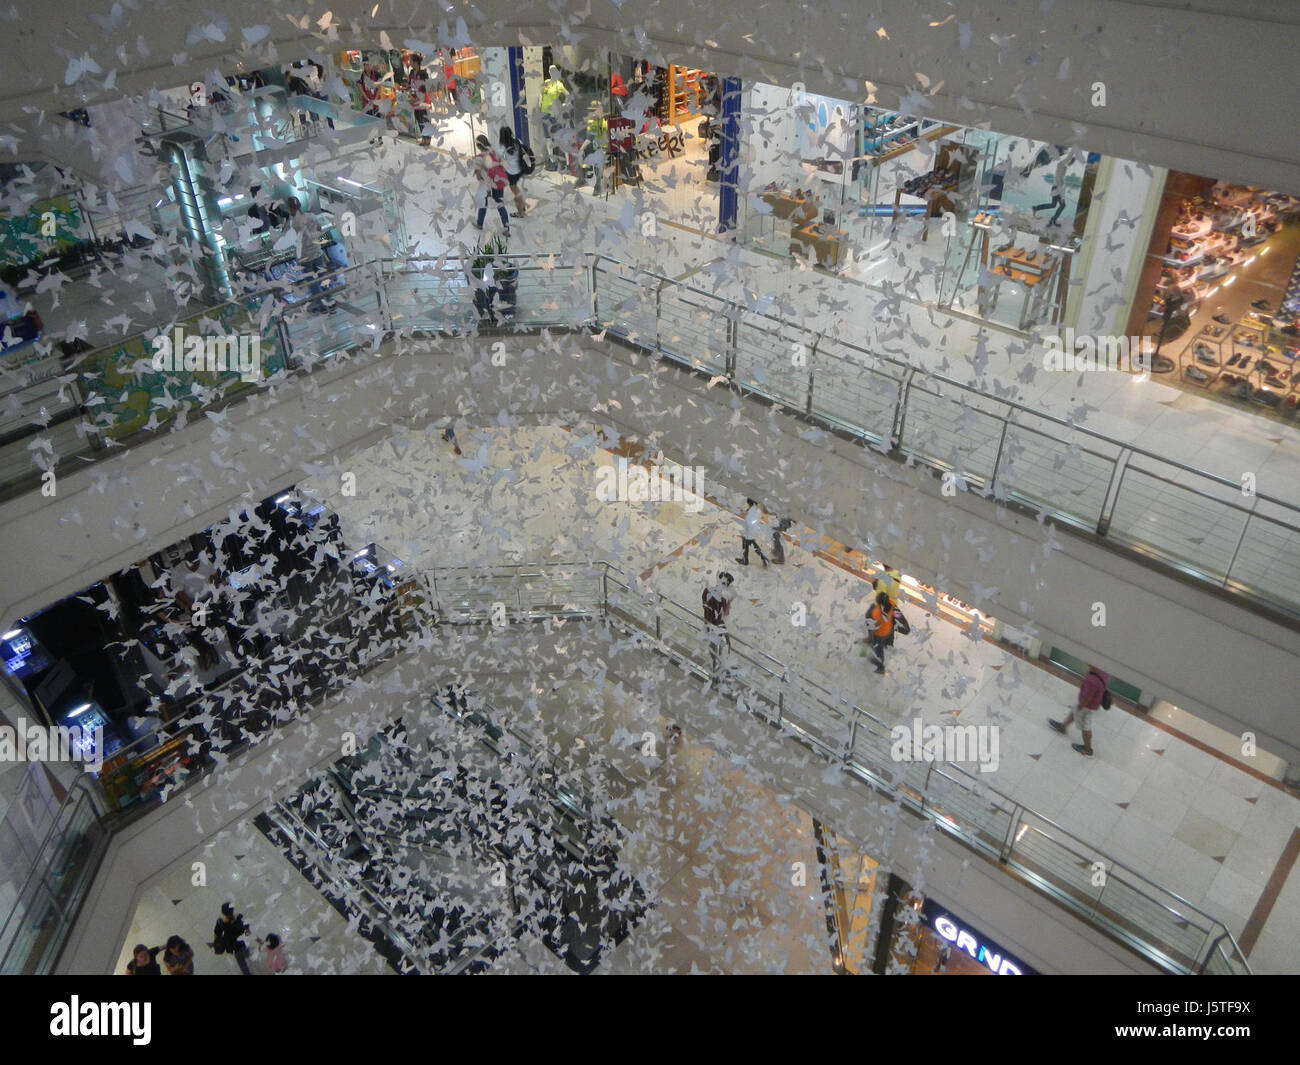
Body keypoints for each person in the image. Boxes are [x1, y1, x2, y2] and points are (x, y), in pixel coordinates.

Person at [1049, 666, 1110, 757]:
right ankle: (1063, 727)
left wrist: (1081, 706)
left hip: (1087, 706)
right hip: (1092, 703)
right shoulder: (1104, 671)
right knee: (1075, 711)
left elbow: (1087, 699)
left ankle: (1088, 749)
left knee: (1086, 726)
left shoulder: (1092, 680)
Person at [471, 134, 510, 236]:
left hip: (488, 185)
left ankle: (479, 223)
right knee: (500, 204)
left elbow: (479, 177)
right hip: (499, 183)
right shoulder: (494, 152)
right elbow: (504, 164)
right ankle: (506, 229)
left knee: (483, 203)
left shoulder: (479, 158)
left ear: (478, 146)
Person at [702, 572, 735, 681]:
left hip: (710, 626)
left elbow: (706, 609)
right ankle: (716, 673)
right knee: (716, 651)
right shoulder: (722, 599)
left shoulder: (707, 591)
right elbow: (722, 617)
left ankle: (715, 671)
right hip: (715, 629)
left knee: (714, 651)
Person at [497, 126, 530, 218]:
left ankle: (521, 211)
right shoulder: (518, 141)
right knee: (516, 189)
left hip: (511, 172)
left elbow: (498, 157)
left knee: (515, 192)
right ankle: (522, 207)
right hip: (520, 169)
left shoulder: (504, 145)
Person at [863, 590, 897, 675]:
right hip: (889, 630)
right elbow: (896, 615)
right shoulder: (892, 603)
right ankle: (887, 646)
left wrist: (869, 637)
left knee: (877, 648)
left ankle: (880, 667)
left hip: (880, 634)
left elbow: (873, 627)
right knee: (883, 643)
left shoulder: (876, 613)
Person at [213, 902, 252, 975]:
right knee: (245, 950)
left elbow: (216, 934)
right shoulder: (238, 919)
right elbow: (248, 933)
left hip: (233, 945)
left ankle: (247, 973)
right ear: (233, 910)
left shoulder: (220, 923)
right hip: (242, 942)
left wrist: (216, 943)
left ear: (222, 913)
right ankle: (248, 954)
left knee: (241, 962)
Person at [736, 498, 768, 567]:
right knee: (753, 545)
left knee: (747, 544)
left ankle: (745, 560)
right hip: (753, 531)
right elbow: (749, 514)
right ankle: (763, 558)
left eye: (748, 504)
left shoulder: (752, 511)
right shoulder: (756, 509)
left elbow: (749, 521)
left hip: (749, 531)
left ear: (750, 504)